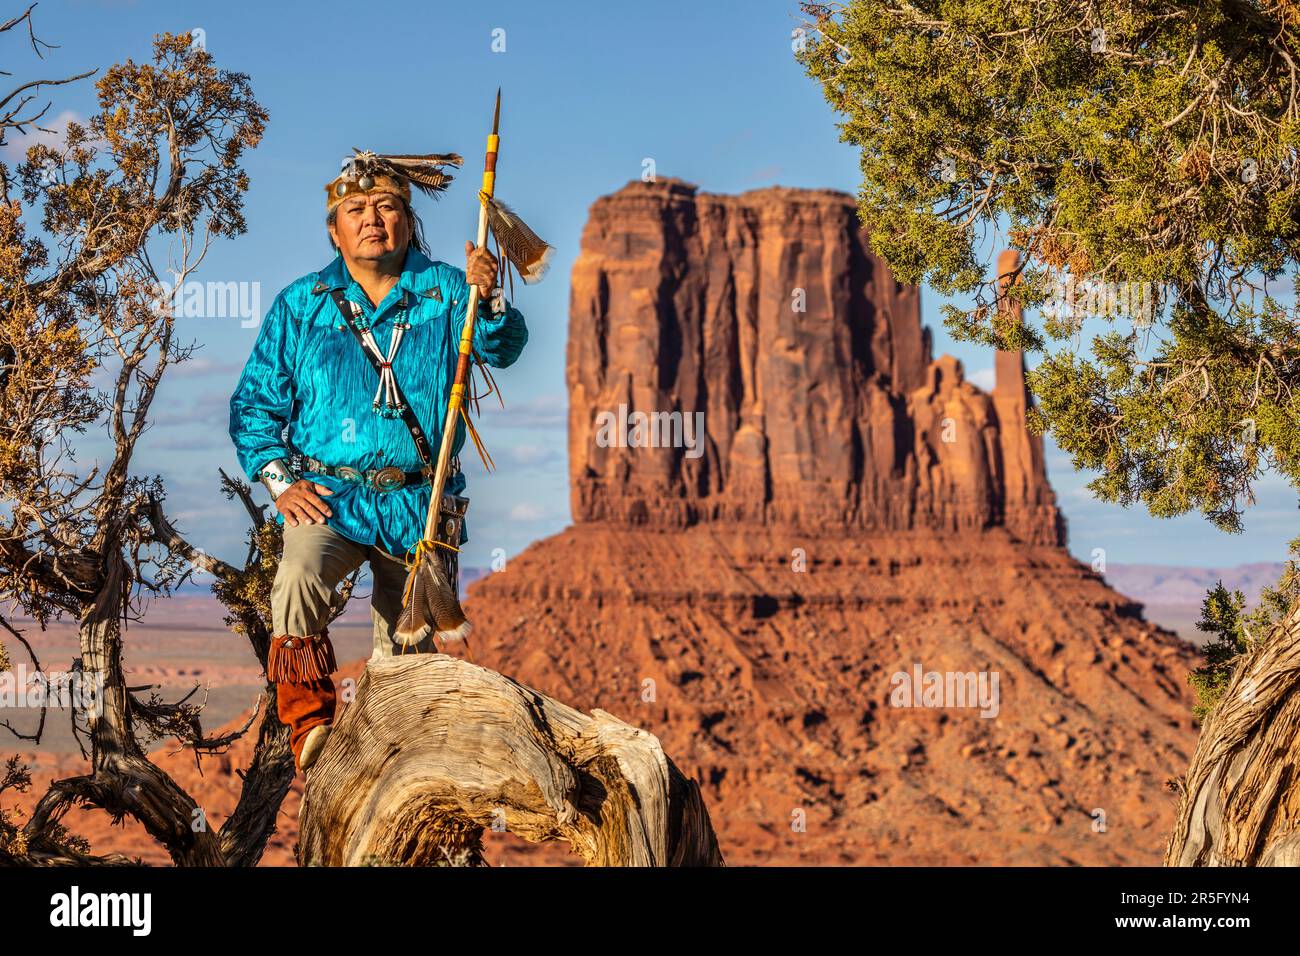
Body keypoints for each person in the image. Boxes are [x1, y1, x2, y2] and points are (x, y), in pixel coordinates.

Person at [228, 152, 528, 772]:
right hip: (329, 497)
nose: (373, 219)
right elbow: (254, 404)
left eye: (387, 206)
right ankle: (309, 721)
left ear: (408, 220)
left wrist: (490, 297)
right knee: (299, 576)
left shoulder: (448, 290)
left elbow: (504, 348)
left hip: (420, 501)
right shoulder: (302, 305)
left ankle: (398, 766)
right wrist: (282, 484)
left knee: (409, 646)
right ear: (333, 228)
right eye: (356, 210)